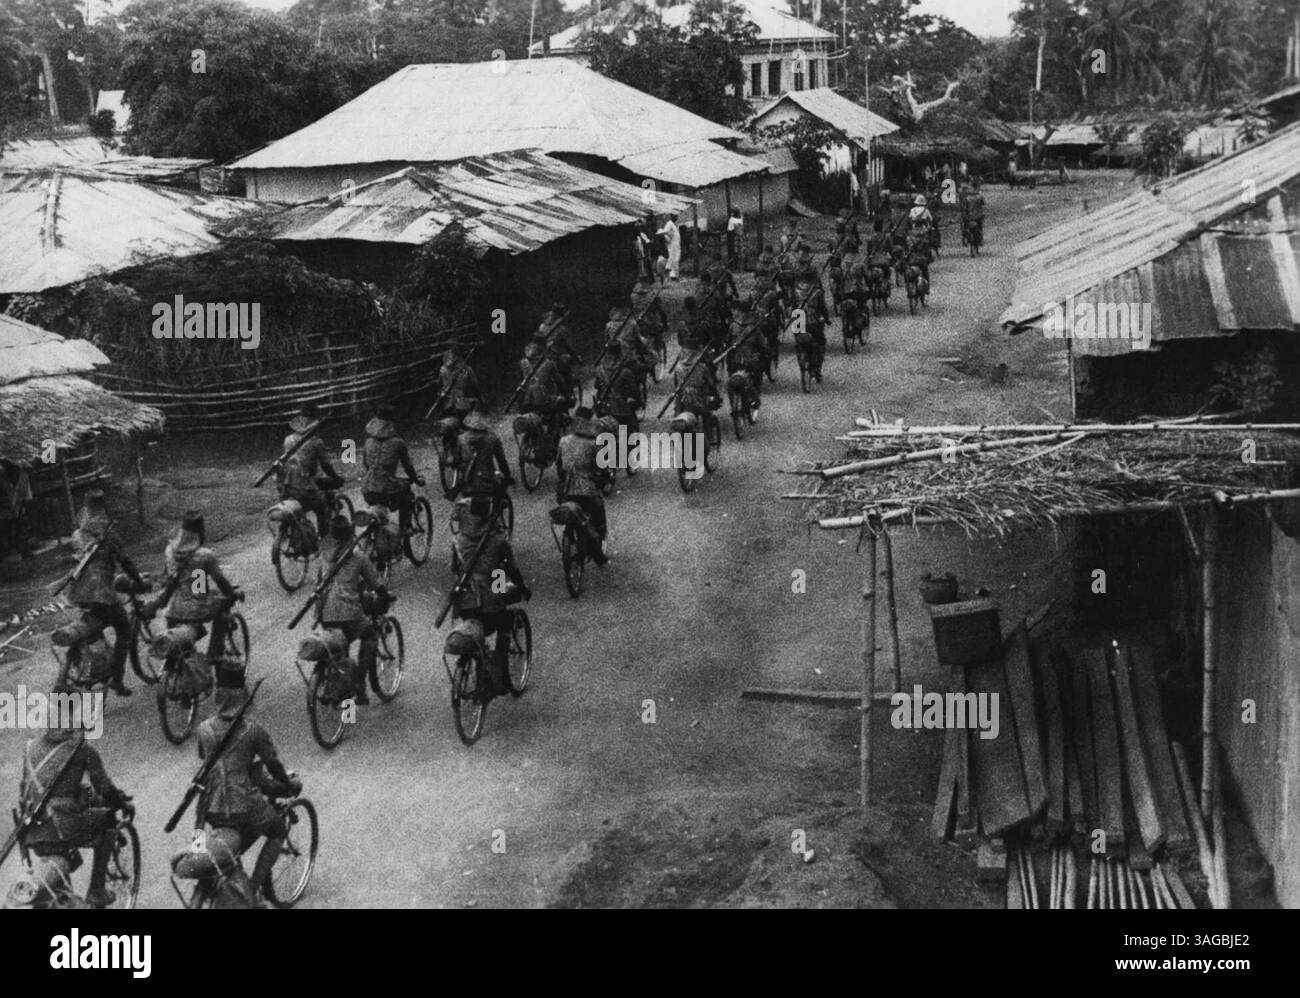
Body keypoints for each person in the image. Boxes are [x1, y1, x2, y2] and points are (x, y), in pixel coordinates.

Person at [19, 685, 133, 908]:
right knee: (108, 820)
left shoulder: (30, 746)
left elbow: (28, 789)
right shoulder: (80, 748)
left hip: (32, 828)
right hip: (64, 825)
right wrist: (122, 804)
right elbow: (105, 789)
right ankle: (97, 890)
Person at [194, 671, 300, 907]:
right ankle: (252, 890)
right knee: (276, 830)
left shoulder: (203, 729)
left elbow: (205, 757)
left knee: (228, 847)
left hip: (209, 806)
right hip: (244, 802)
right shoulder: (253, 730)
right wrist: (287, 784)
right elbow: (273, 764)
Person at [451, 497, 531, 692]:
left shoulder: (458, 541)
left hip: (465, 599)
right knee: (504, 622)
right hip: (492, 591)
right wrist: (522, 587)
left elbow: (455, 568)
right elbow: (511, 570)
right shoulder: (498, 541)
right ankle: (499, 675)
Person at [67, 490, 141, 696]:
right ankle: (117, 679)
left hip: (79, 592)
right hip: (101, 592)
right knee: (124, 629)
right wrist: (138, 580)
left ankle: (96, 665)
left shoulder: (77, 535)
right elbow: (125, 562)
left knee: (93, 625)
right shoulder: (109, 535)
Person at [145, 510, 242, 664]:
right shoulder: (204, 555)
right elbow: (215, 583)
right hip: (197, 610)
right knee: (224, 605)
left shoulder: (170, 551)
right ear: (200, 532)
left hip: (172, 611)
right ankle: (214, 652)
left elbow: (181, 582)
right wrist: (231, 594)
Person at [317, 515, 389, 707]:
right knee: (370, 636)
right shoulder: (358, 557)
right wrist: (385, 596)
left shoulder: (325, 554)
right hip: (349, 613)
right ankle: (358, 683)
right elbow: (376, 584)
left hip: (325, 612)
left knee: (341, 649)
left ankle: (343, 702)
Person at [276, 403, 340, 539]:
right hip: (304, 489)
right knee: (322, 506)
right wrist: (336, 477)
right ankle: (323, 536)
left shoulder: (288, 440)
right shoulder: (316, 442)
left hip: (287, 488)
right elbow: (326, 465)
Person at [555, 407, 609, 564]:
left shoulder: (563, 441)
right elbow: (601, 467)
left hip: (565, 492)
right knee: (598, 511)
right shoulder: (593, 443)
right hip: (587, 492)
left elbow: (559, 467)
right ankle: (598, 548)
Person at [362, 405, 423, 533]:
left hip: (368, 487)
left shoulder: (368, 442)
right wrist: (415, 480)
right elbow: (408, 466)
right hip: (387, 488)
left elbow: (366, 465)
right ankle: (405, 527)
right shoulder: (398, 442)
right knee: (407, 492)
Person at [457, 409, 514, 499]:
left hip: (467, 482)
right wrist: (507, 477)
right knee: (500, 494)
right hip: (488, 480)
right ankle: (496, 510)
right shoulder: (492, 438)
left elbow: (458, 461)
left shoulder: (461, 438)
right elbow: (501, 460)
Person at [794, 268, 829, 383]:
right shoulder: (817, 292)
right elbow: (822, 308)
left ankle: (801, 357)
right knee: (821, 342)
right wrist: (827, 319)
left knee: (798, 341)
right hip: (812, 321)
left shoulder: (797, 290)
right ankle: (817, 370)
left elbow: (793, 305)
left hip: (798, 321)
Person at [0, 459, 33, 560]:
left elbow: (27, 497)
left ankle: (25, 552)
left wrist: (21, 508)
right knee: (4, 531)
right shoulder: (3, 478)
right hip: (5, 510)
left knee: (21, 528)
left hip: (17, 507)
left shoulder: (23, 477)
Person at [657, 213, 682, 281]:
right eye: (675, 216)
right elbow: (663, 233)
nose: (676, 217)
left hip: (676, 245)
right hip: (672, 245)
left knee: (676, 259)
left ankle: (673, 275)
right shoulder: (669, 223)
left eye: (677, 216)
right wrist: (668, 240)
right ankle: (668, 272)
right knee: (673, 259)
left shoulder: (674, 224)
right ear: (672, 216)